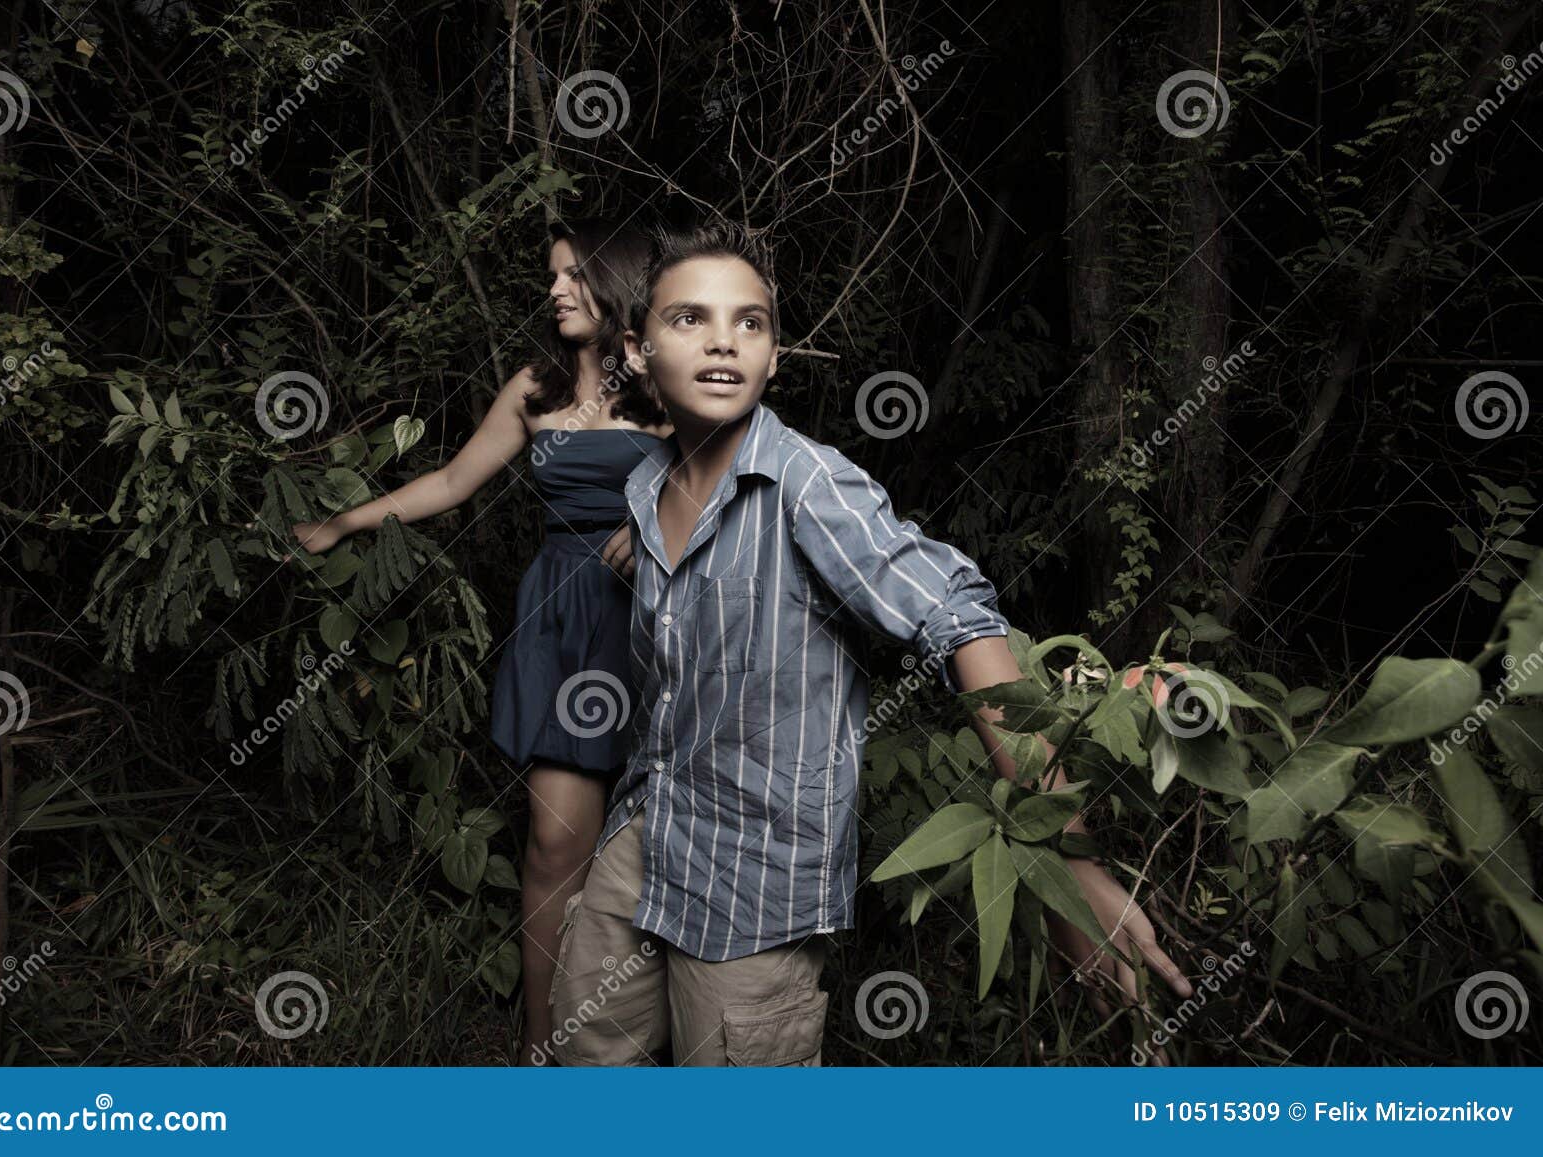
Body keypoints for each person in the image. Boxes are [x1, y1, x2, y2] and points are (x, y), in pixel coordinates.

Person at [545, 222, 1193, 1065]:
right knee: (585, 1054)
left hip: (754, 878)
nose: (722, 342)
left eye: (751, 323)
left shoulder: (806, 484)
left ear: (775, 356)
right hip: (646, 831)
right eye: (689, 319)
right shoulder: (644, 485)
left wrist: (1069, 865)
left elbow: (961, 616)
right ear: (636, 349)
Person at [289, 218, 673, 1065]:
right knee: (552, 843)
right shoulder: (534, 388)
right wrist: (347, 520)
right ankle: (540, 1047)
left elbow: (733, 484)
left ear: (619, 285)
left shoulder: (669, 387)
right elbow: (455, 480)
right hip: (563, 623)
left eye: (573, 274)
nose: (556, 289)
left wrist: (654, 526)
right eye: (553, 276)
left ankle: (647, 1052)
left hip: (656, 623)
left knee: (658, 852)